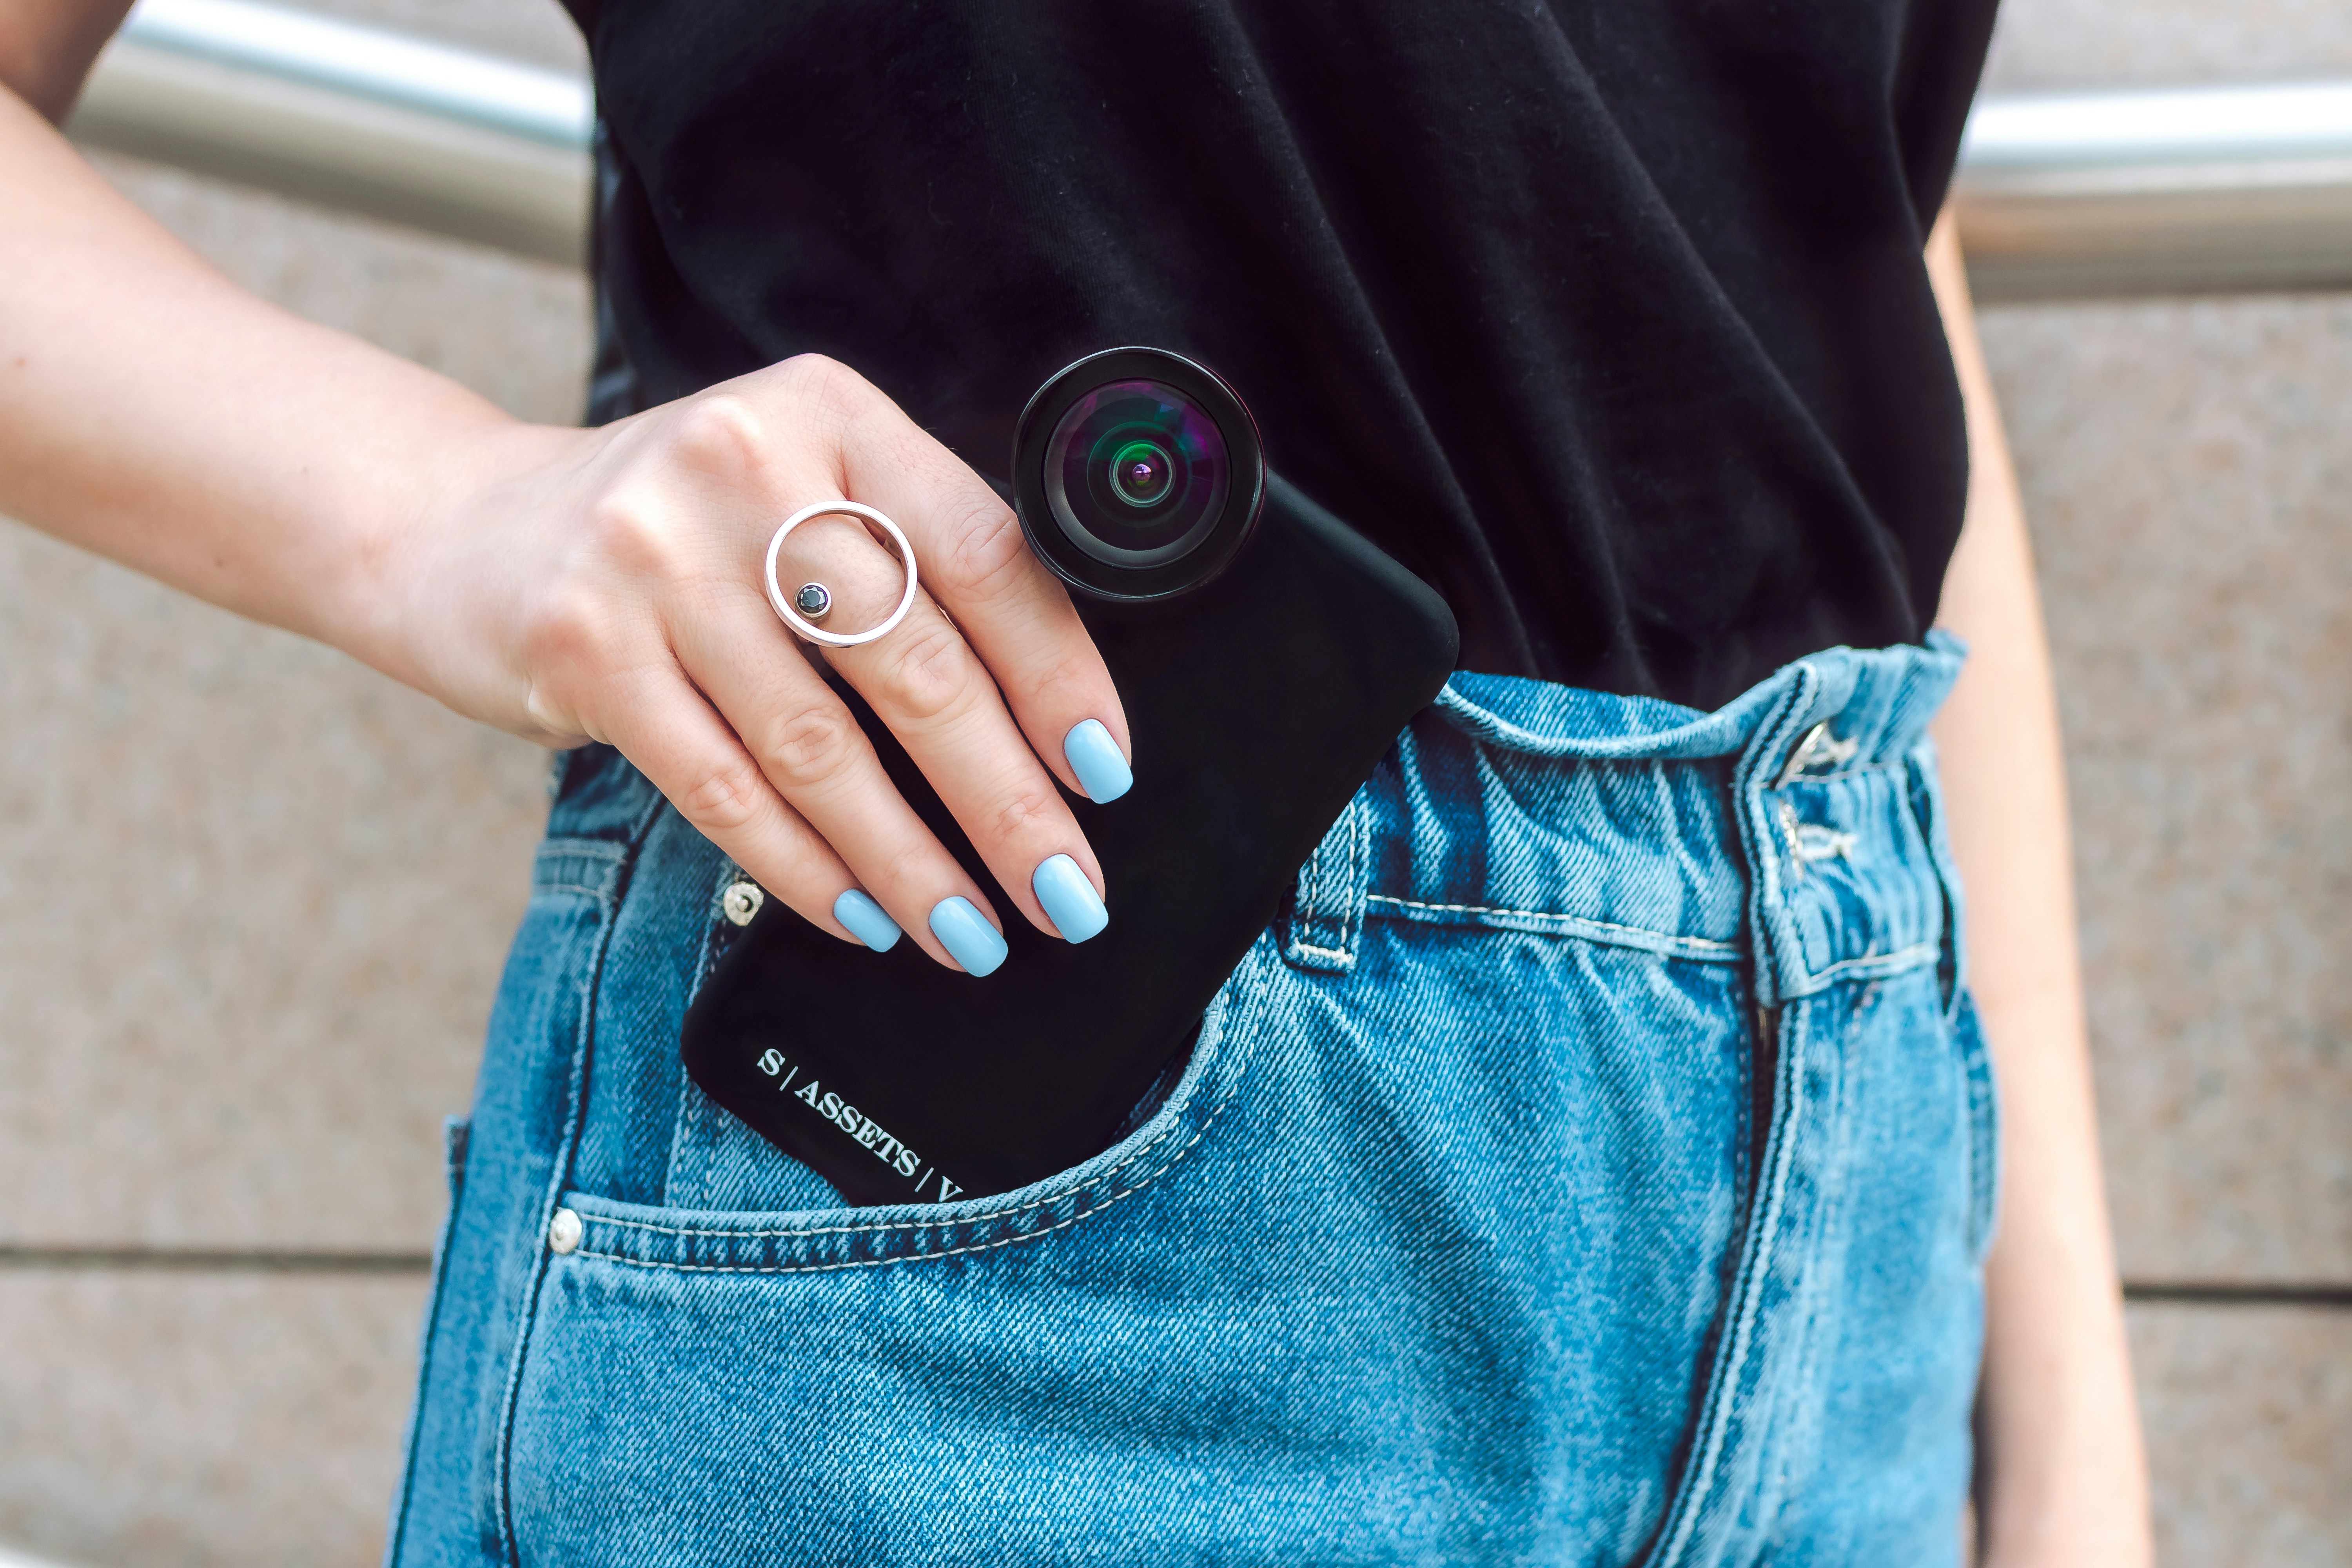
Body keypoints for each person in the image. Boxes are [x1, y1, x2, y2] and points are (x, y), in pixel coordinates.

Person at [1, 1, 2152, 1563]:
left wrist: (2056, 1394)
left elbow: (1839, 255)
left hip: (1846, 1195)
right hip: (1043, 1187)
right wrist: (439, 510)